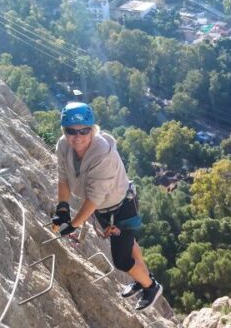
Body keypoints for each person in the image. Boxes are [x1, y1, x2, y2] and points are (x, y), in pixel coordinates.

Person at [51, 101, 162, 310]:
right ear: (64, 130)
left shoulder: (103, 153)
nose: (78, 137)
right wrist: (62, 209)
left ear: (92, 129)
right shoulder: (63, 146)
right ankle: (142, 279)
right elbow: (63, 178)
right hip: (104, 209)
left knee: (121, 260)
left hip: (121, 207)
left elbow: (94, 198)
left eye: (84, 130)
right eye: (70, 131)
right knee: (129, 245)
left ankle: (151, 286)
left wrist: (73, 224)